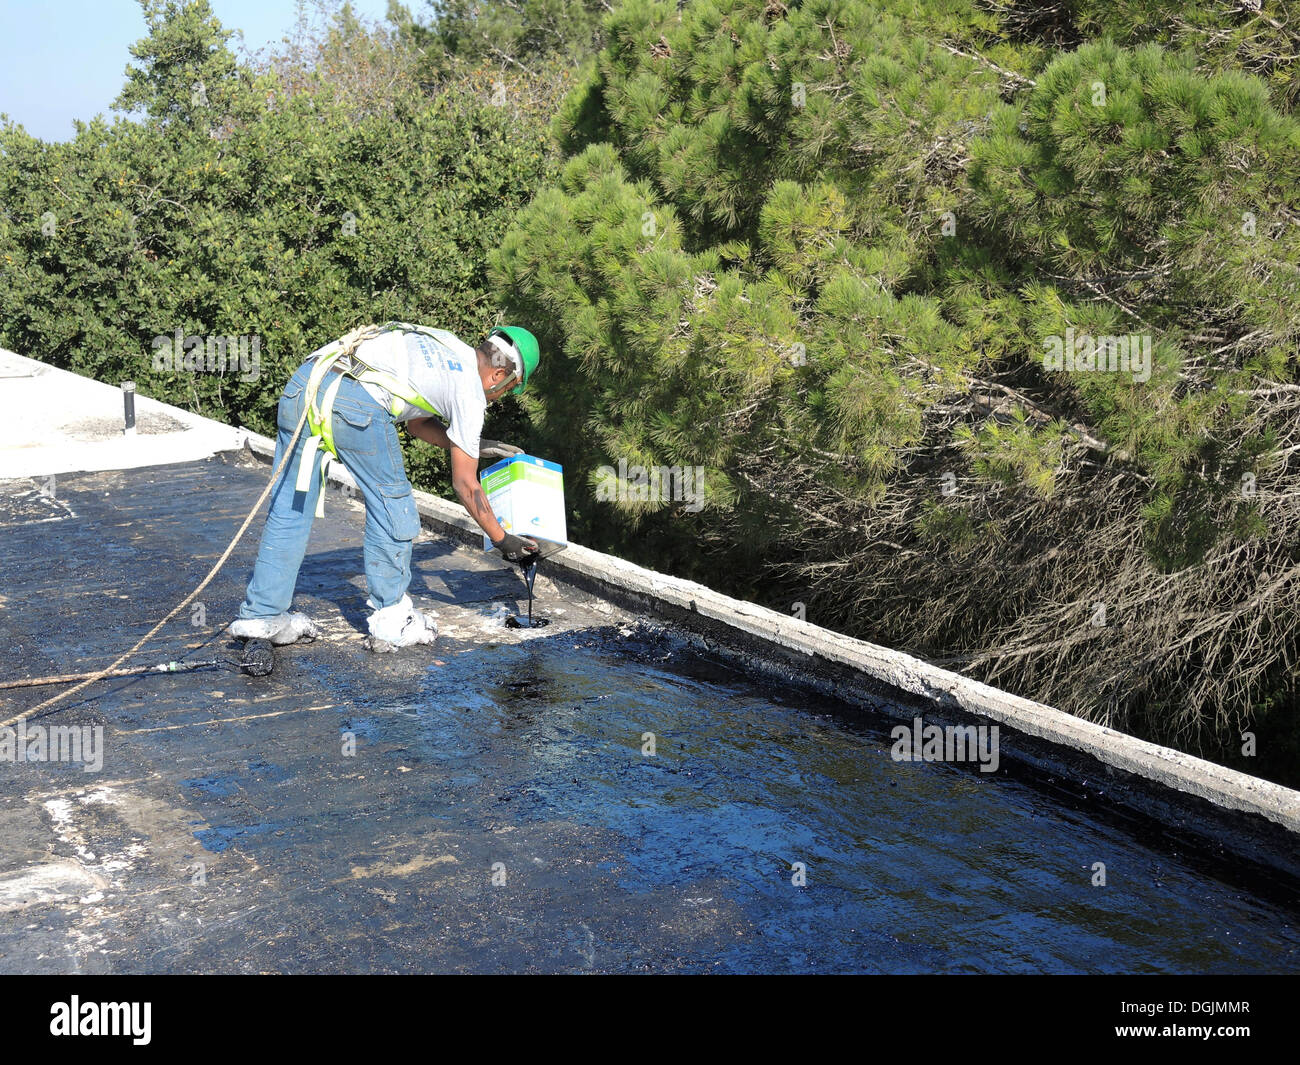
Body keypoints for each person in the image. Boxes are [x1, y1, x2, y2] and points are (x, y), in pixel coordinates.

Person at [227, 321, 541, 652]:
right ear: (498, 375)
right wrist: (502, 539)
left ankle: (262, 616)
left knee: (291, 507)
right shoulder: (471, 391)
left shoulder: (445, 345)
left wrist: (472, 446)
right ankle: (392, 619)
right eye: (508, 389)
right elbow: (465, 484)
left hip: (306, 383)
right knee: (394, 507)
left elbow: (418, 424)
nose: (500, 396)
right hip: (356, 404)